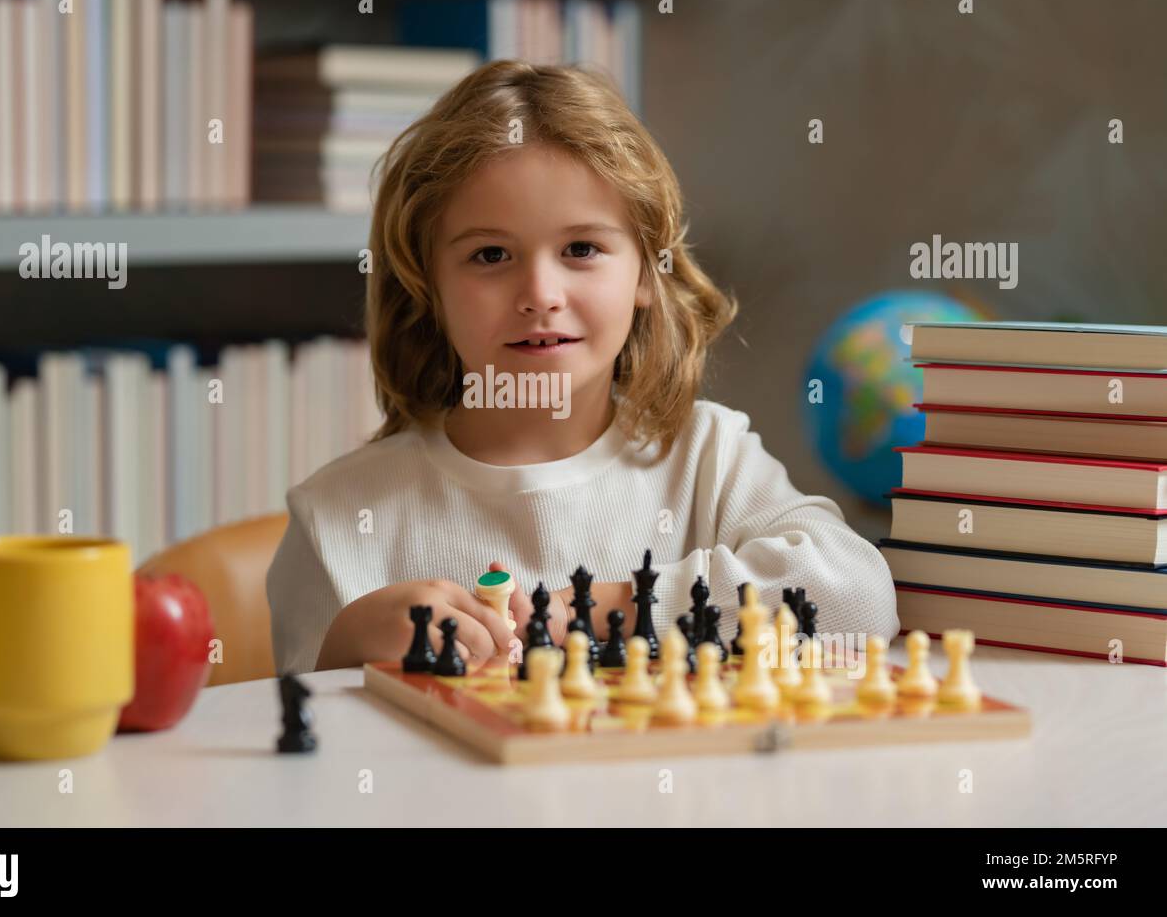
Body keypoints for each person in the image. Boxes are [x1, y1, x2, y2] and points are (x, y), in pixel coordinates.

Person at [266, 60, 898, 674]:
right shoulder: (337, 521)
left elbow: (857, 597)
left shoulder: (709, 460)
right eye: (490, 254)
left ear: (649, 273)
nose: (540, 293)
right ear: (427, 285)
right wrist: (345, 646)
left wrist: (604, 609)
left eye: (581, 249)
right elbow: (300, 757)